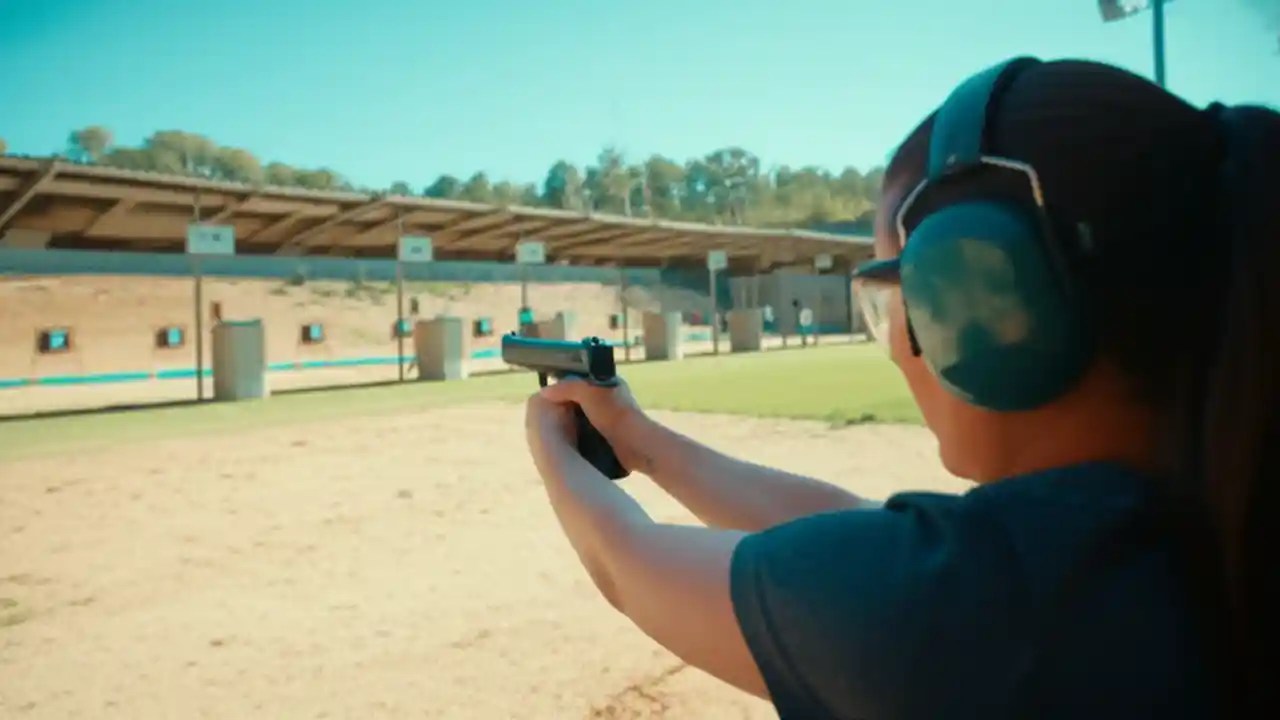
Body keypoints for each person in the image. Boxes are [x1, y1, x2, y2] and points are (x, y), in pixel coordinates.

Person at [521, 56, 1278, 719]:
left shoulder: (1001, 609)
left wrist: (554, 449)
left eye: (897, 297)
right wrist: (642, 443)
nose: (896, 347)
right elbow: (862, 527)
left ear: (989, 297)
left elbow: (629, 562)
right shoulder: (1195, 506)